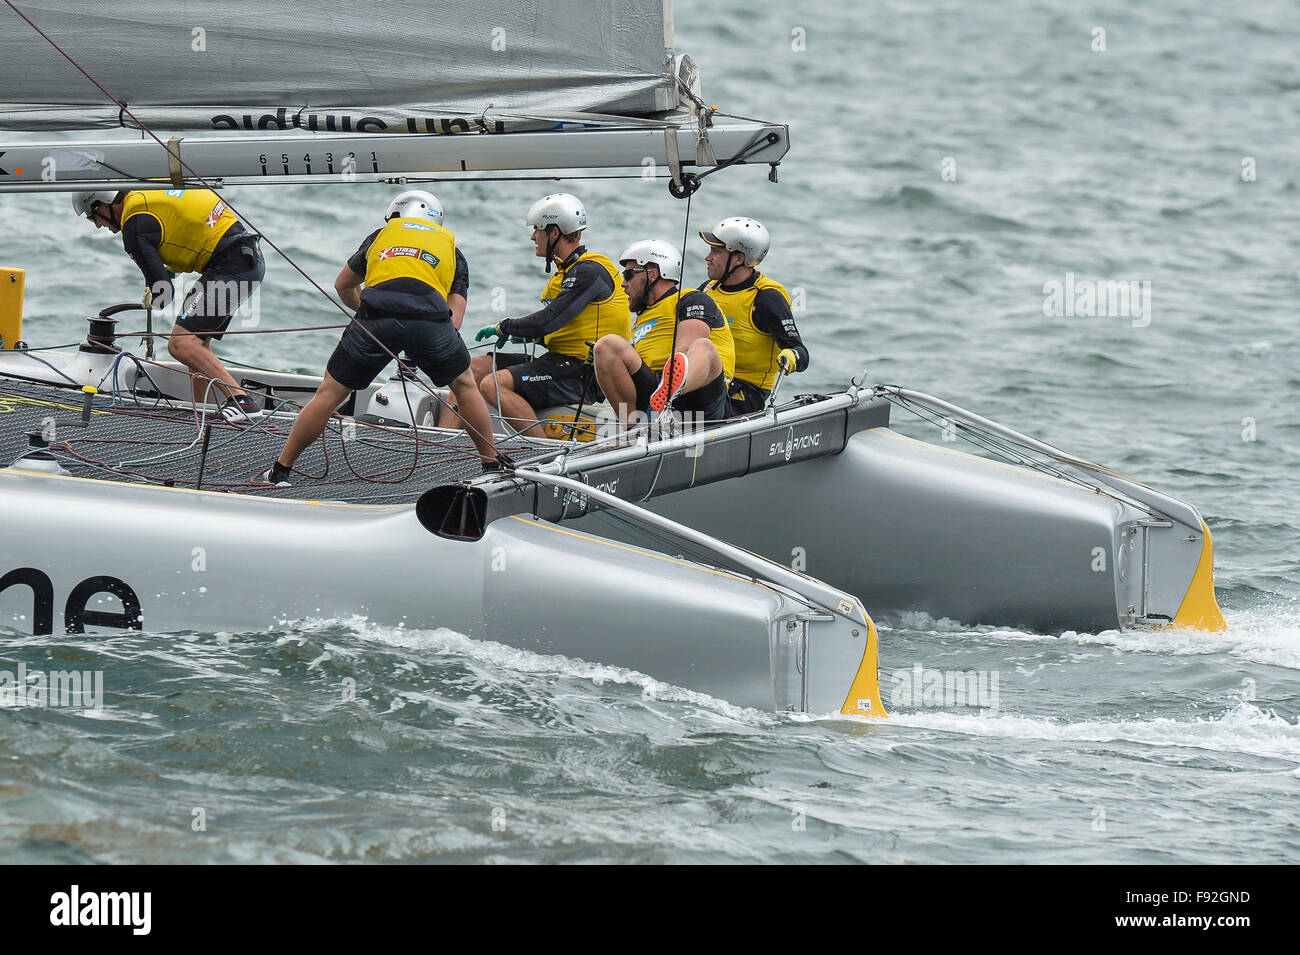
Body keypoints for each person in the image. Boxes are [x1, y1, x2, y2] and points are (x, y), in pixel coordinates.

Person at [255, 190, 497, 485]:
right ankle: (491, 465)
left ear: (395, 215)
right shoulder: (451, 249)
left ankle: (280, 471)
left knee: (330, 394)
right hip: (430, 322)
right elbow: (454, 319)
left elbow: (343, 285)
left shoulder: (381, 236)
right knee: (463, 385)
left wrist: (370, 313)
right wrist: (419, 337)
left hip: (375, 317)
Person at [74, 188, 266, 421]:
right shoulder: (143, 194)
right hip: (243, 257)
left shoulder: (132, 226)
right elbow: (175, 234)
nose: (96, 225)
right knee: (197, 344)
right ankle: (201, 414)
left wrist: (153, 293)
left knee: (181, 344)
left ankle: (242, 402)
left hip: (231, 264)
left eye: (93, 217)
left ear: (102, 204)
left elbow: (164, 294)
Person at [462, 193, 631, 437]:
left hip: (581, 373)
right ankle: (445, 442)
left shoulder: (589, 271)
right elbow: (564, 326)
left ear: (554, 233)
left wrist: (505, 327)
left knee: (493, 385)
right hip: (557, 362)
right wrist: (529, 337)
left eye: (537, 230)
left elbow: (549, 319)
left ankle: (541, 457)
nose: (532, 237)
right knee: (468, 369)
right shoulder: (568, 270)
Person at [593, 239, 734, 426]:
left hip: (701, 395)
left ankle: (668, 392)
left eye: (628, 275)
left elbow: (686, 347)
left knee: (703, 347)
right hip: (655, 393)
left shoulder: (690, 299)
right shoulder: (643, 317)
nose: (623, 284)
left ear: (652, 274)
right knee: (606, 345)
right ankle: (635, 429)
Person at [698, 217, 809, 415]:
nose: (708, 257)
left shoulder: (766, 298)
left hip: (745, 394)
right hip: (706, 381)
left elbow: (799, 351)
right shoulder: (706, 291)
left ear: (739, 258)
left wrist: (791, 356)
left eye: (716, 251)